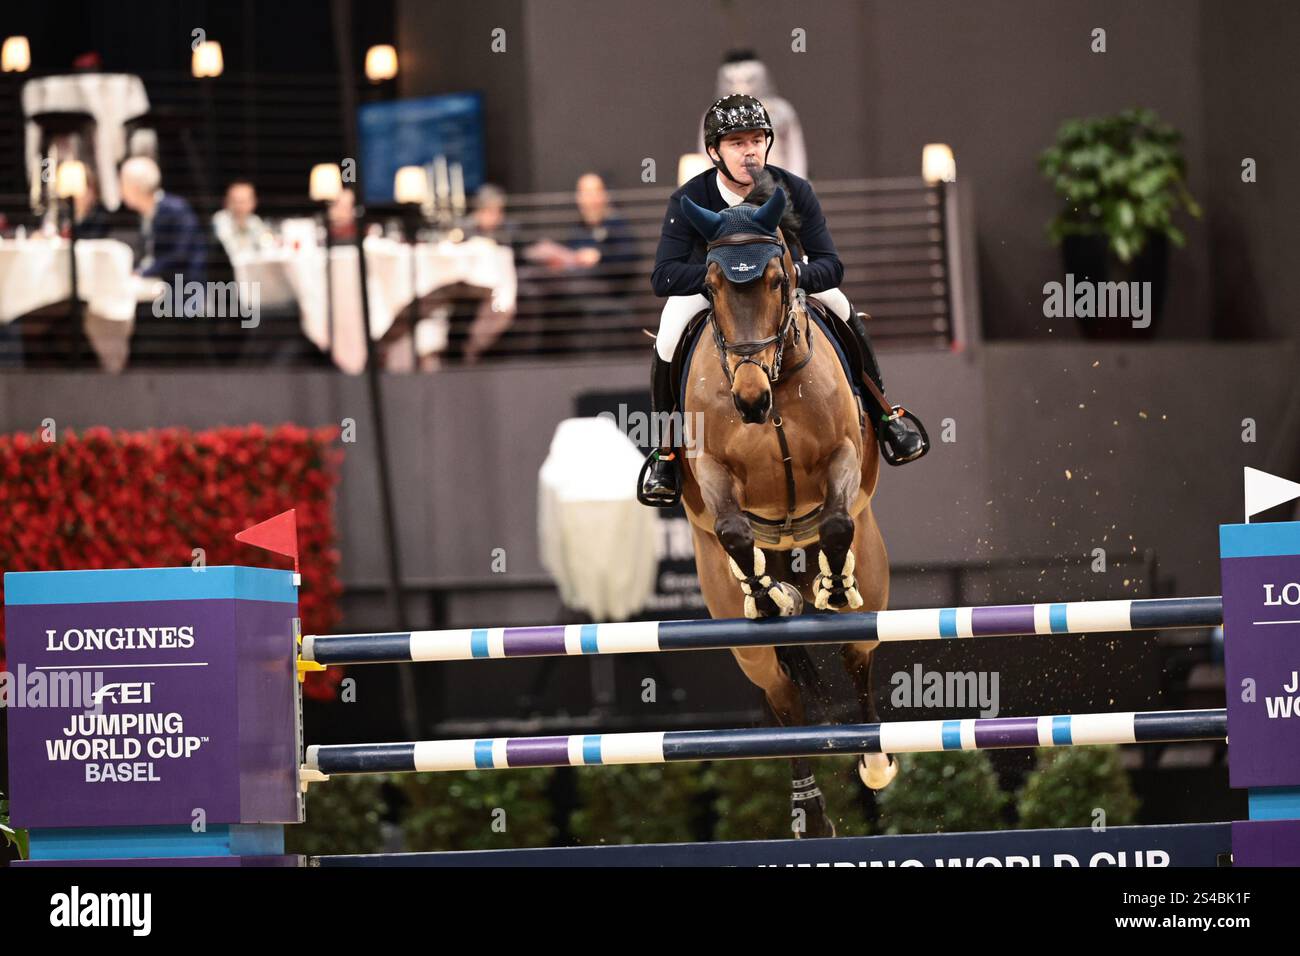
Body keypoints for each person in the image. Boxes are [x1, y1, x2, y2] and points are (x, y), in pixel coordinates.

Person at [640, 94, 928, 505]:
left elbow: (831, 265)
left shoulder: (792, 189)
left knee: (842, 307)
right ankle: (666, 452)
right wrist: (721, 281)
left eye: (757, 139)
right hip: (717, 294)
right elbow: (663, 275)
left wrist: (787, 280)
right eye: (737, 143)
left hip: (782, 290)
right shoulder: (690, 198)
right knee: (668, 333)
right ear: (714, 152)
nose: (750, 150)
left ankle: (885, 416)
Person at [701, 50, 807, 178]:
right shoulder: (715, 114)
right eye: (732, 81)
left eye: (748, 80)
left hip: (776, 181)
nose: (741, 86)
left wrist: (797, 183)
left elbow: (795, 152)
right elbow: (707, 154)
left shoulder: (780, 111)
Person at [119, 156, 204, 284]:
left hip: (183, 291)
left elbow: (180, 255)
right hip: (157, 287)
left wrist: (143, 273)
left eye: (122, 184)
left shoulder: (177, 211)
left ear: (136, 187)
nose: (121, 190)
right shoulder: (144, 214)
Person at [212, 179, 267, 258]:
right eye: (234, 201)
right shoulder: (220, 219)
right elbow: (230, 250)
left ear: (254, 202)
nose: (239, 205)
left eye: (243, 201)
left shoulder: (255, 221)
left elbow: (265, 247)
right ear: (226, 202)